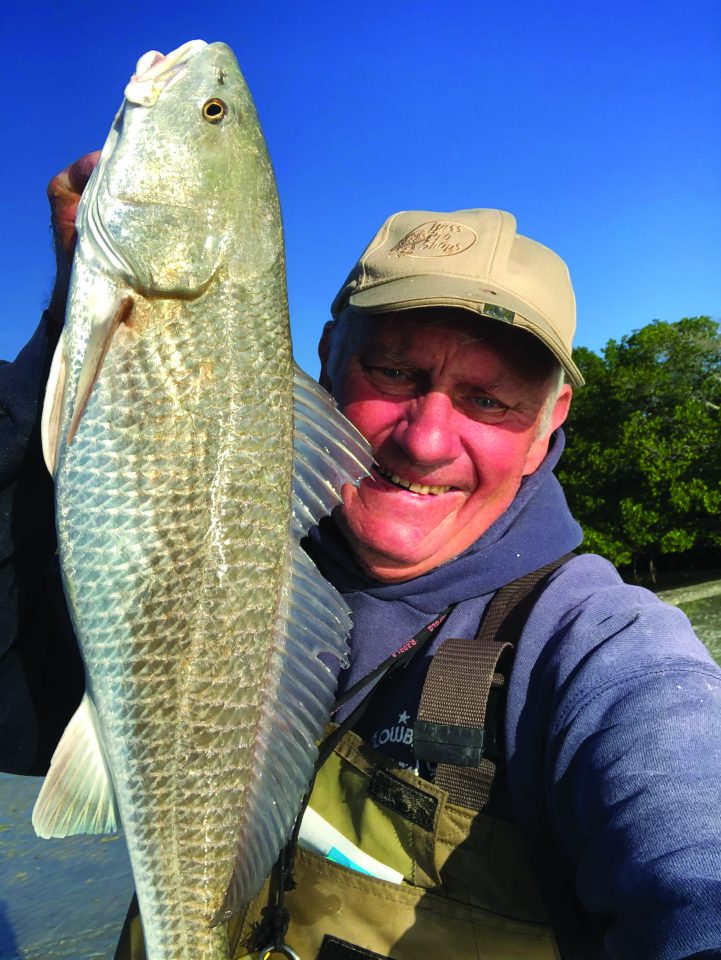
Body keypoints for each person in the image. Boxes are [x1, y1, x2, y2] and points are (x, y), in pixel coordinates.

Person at [2, 157, 721, 960]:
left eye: (488, 399)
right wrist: (81, 325)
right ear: (324, 359)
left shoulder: (602, 652)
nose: (424, 439)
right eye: (392, 370)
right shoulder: (196, 561)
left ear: (549, 421)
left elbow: (694, 867)